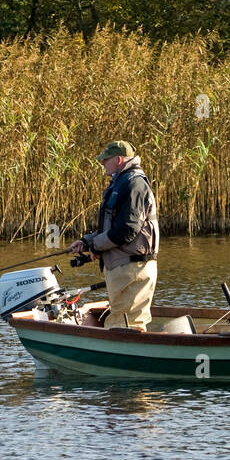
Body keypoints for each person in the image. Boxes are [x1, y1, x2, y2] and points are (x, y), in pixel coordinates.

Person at [70, 140, 160, 330]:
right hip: (123, 268)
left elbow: (126, 230)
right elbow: (115, 227)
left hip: (132, 268)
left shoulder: (134, 184)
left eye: (106, 160)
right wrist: (87, 242)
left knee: (126, 326)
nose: (102, 163)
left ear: (119, 159)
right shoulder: (123, 183)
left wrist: (95, 246)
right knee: (123, 323)